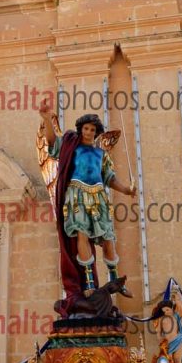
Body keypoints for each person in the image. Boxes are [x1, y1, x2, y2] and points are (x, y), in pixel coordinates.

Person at [39, 98, 137, 315]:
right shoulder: (71, 147)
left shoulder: (101, 154)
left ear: (97, 132)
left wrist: (126, 190)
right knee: (82, 236)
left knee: (109, 239)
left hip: (99, 197)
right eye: (86, 128)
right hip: (77, 195)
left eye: (93, 129)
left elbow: (109, 178)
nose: (89, 132)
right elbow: (53, 144)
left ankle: (115, 280)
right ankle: (90, 283)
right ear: (80, 129)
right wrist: (47, 119)